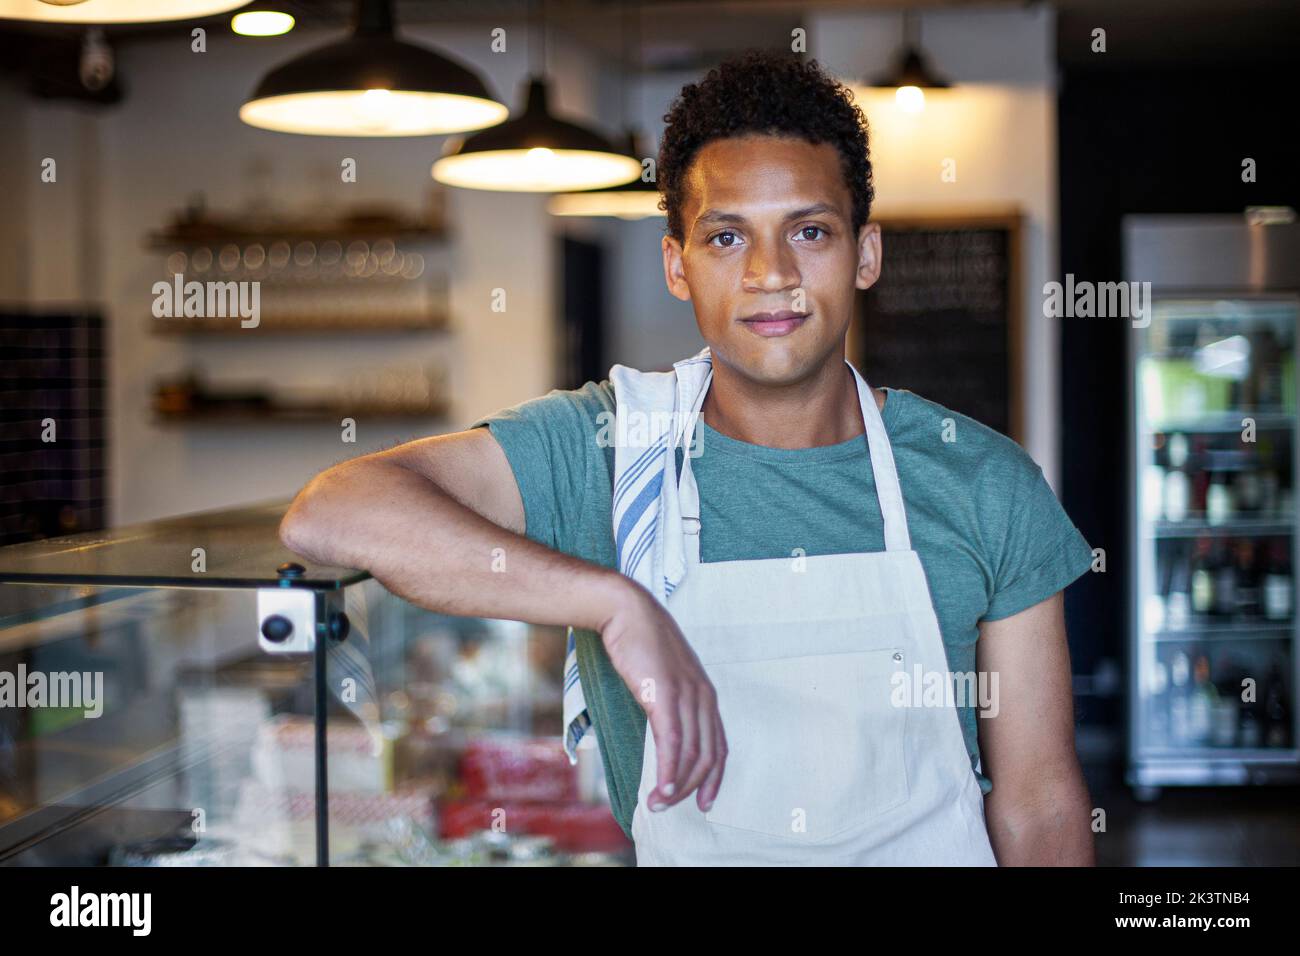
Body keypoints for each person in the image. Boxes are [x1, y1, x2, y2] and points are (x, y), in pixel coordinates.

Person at [280, 50, 1096, 866]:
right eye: (726, 236)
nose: (771, 274)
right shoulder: (605, 449)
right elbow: (332, 511)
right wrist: (613, 604)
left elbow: (1039, 804)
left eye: (809, 232)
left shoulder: (984, 482)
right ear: (677, 264)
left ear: (866, 254)